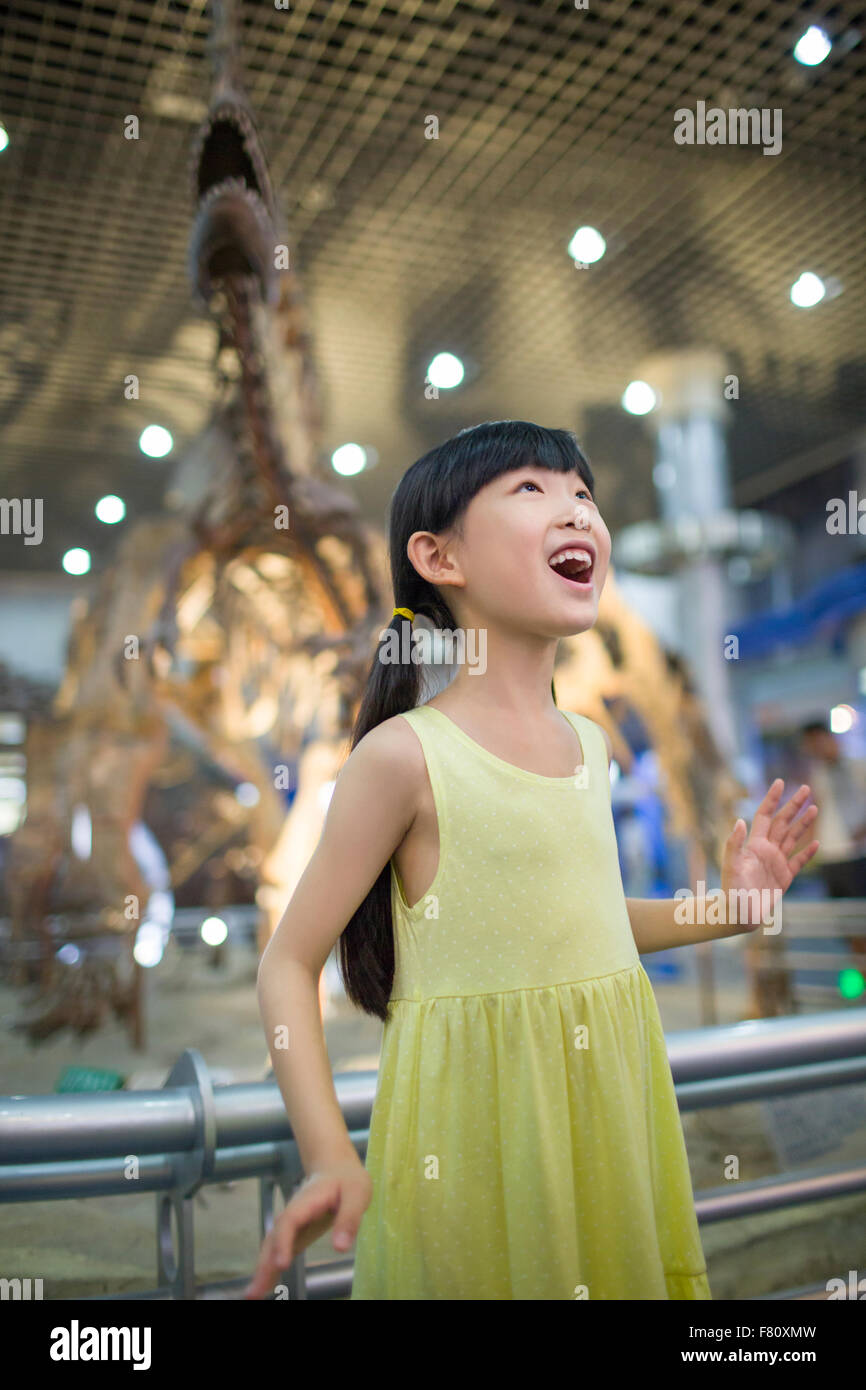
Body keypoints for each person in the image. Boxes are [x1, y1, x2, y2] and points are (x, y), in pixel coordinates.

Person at [245, 419, 819, 1300]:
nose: (575, 511)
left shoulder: (591, 745)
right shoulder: (402, 757)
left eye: (583, 495)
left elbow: (594, 922)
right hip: (472, 1138)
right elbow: (289, 961)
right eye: (531, 490)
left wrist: (729, 910)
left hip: (609, 1118)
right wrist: (327, 1155)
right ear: (440, 558)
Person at [797, 719, 866, 898]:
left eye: (816, 742)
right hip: (829, 854)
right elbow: (817, 810)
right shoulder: (817, 774)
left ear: (828, 737)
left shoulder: (859, 766)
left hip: (858, 852)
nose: (814, 749)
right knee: (839, 915)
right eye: (809, 745)